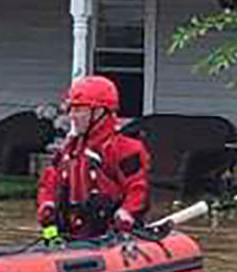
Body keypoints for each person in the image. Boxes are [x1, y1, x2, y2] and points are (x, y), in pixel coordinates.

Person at [37, 75, 151, 242]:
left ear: (99, 112)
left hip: (110, 236)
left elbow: (138, 188)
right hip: (70, 234)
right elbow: (49, 182)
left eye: (79, 110)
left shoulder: (125, 149)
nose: (73, 116)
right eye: (71, 110)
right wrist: (47, 204)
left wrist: (127, 213)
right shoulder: (70, 149)